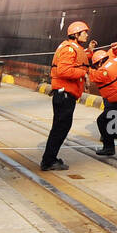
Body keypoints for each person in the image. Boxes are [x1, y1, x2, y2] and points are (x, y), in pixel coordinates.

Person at [42, 20, 91, 171]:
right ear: (76, 34)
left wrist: (90, 51)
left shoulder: (72, 48)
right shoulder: (69, 49)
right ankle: (48, 161)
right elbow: (63, 71)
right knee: (60, 128)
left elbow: (78, 61)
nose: (87, 35)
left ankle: (50, 159)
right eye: (84, 32)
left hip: (65, 94)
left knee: (60, 127)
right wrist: (84, 73)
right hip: (65, 95)